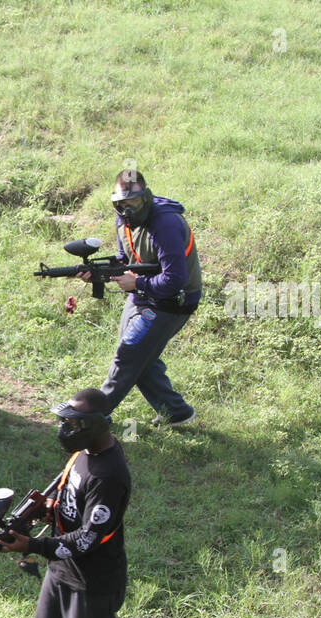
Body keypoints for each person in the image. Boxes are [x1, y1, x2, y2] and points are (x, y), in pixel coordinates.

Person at [0, 388, 146, 618]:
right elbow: (69, 502)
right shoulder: (84, 453)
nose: (64, 429)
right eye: (63, 421)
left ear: (95, 426)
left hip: (93, 580)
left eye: (72, 423)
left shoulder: (109, 475)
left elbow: (89, 538)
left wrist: (32, 545)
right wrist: (49, 510)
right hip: (61, 569)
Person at [89, 169, 201, 427]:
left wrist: (137, 282)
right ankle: (176, 412)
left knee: (130, 353)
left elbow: (174, 279)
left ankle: (95, 416)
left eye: (134, 203)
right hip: (143, 295)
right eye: (122, 205)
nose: (127, 211)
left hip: (172, 302)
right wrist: (97, 272)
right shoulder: (123, 222)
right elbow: (125, 260)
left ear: (146, 197)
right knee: (138, 355)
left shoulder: (166, 224)